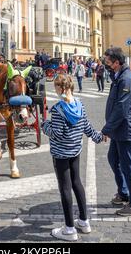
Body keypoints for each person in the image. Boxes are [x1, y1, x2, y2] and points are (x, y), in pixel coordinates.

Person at [42, 74, 103, 241]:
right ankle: (84, 221)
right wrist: (97, 137)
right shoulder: (79, 105)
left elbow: (56, 133)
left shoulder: (58, 109)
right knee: (77, 183)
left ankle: (69, 229)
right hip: (75, 151)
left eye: (56, 87)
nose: (54, 89)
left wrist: (44, 125)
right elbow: (86, 126)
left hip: (61, 153)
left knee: (65, 188)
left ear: (62, 88)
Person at [102, 47, 131, 217]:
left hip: (125, 128)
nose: (106, 65)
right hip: (119, 127)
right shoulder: (119, 76)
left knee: (127, 165)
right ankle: (123, 193)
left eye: (108, 62)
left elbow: (122, 108)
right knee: (113, 158)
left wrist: (106, 130)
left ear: (117, 62)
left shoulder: (127, 79)